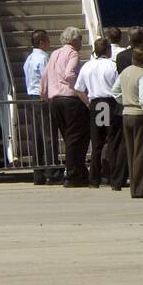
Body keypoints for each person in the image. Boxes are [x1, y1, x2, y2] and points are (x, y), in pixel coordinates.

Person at [39, 26, 90, 187]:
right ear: (74, 40)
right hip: (70, 99)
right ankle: (74, 174)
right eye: (80, 38)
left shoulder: (54, 53)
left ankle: (77, 171)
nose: (81, 42)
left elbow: (45, 76)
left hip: (55, 100)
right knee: (76, 138)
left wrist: (44, 94)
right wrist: (79, 90)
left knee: (68, 138)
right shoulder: (73, 53)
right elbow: (70, 73)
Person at [112, 45, 143, 198]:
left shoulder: (125, 71)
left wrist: (125, 101)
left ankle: (135, 187)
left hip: (127, 113)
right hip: (140, 115)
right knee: (142, 153)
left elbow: (115, 91)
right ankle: (140, 189)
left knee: (132, 152)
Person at [75, 37, 119, 188]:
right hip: (109, 103)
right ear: (108, 50)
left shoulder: (87, 66)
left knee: (97, 143)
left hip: (95, 103)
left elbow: (79, 89)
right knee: (112, 141)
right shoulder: (112, 66)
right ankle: (114, 177)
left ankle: (94, 178)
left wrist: (88, 103)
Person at [109, 28, 143, 191]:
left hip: (124, 105)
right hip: (140, 105)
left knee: (124, 145)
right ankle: (140, 180)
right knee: (141, 147)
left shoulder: (121, 56)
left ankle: (118, 179)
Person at [22, 29, 60, 185]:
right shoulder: (44, 58)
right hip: (42, 98)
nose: (49, 43)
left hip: (31, 97)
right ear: (42, 42)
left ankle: (38, 173)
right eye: (47, 40)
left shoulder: (29, 59)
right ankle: (52, 172)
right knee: (49, 135)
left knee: (36, 136)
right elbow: (48, 78)